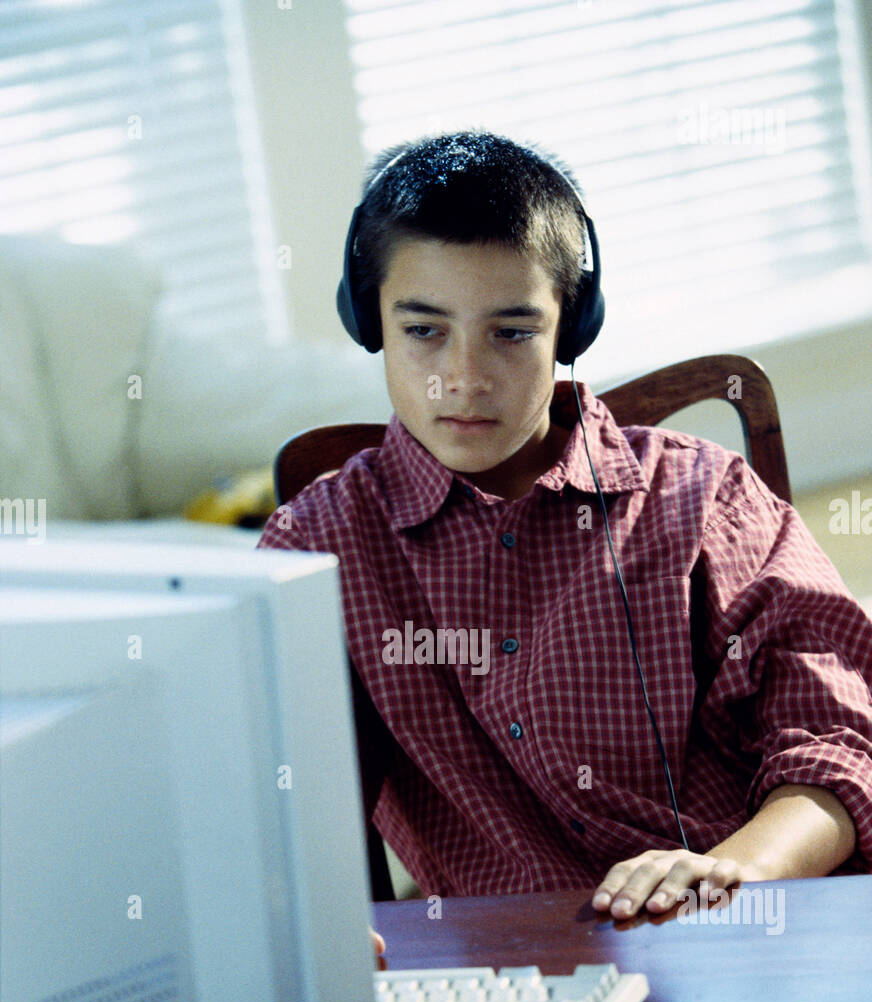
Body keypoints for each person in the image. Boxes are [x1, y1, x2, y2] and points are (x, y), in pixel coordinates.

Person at [257, 131, 872, 924]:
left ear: (571, 327)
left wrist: (732, 873)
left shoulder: (700, 495)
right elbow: (272, 813)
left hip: (755, 924)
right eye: (424, 330)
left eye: (512, 332)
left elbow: (836, 742)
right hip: (514, 982)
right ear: (367, 318)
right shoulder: (316, 551)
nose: (465, 376)